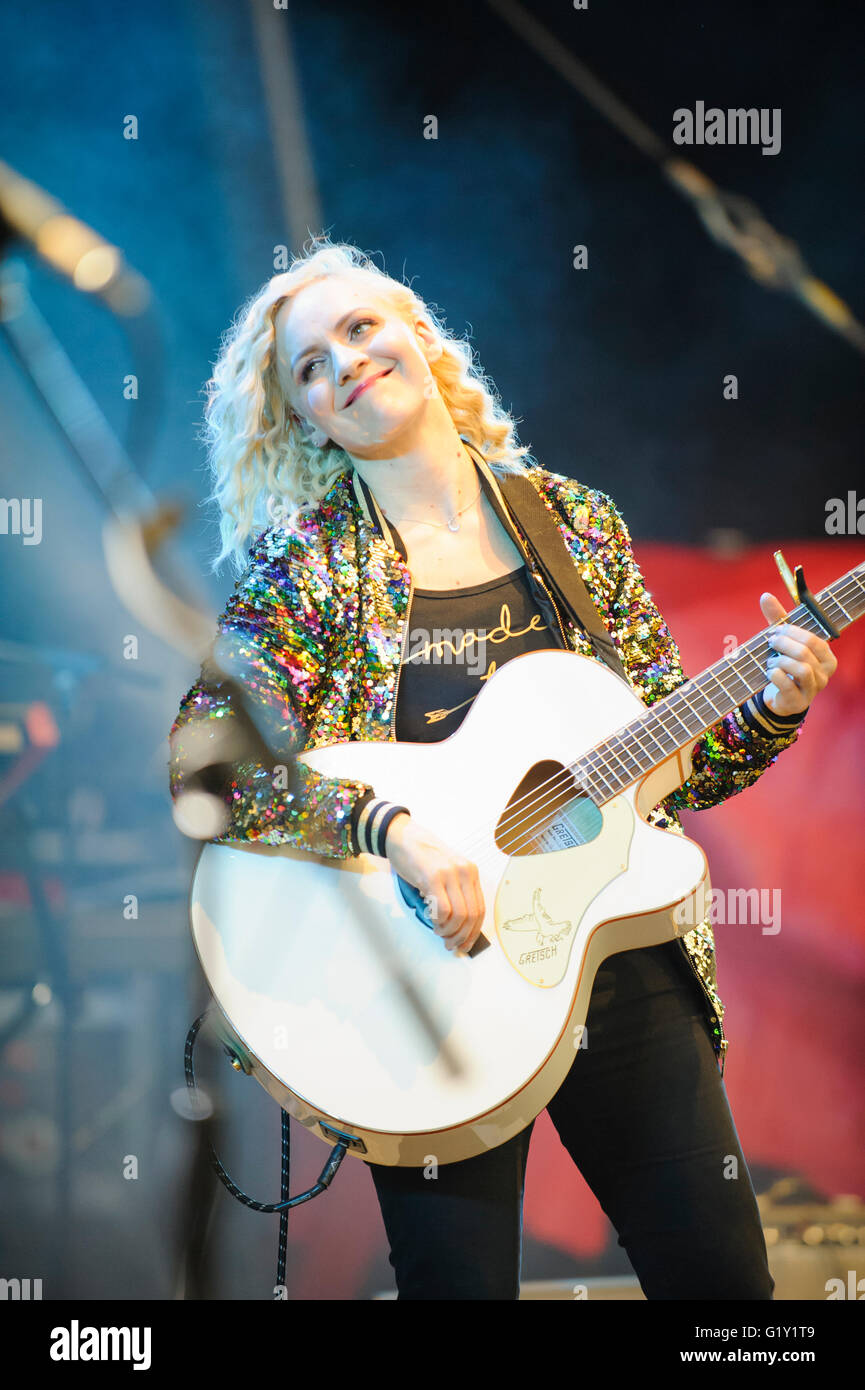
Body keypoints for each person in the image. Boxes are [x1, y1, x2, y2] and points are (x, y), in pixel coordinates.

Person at [168, 237, 837, 1300]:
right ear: (307, 418)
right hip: (433, 981)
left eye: (360, 328)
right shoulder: (307, 568)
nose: (345, 363)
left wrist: (769, 708)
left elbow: (673, 769)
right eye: (310, 367)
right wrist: (391, 830)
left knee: (725, 1293)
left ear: (419, 337)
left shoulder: (575, 522)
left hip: (617, 957)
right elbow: (208, 767)